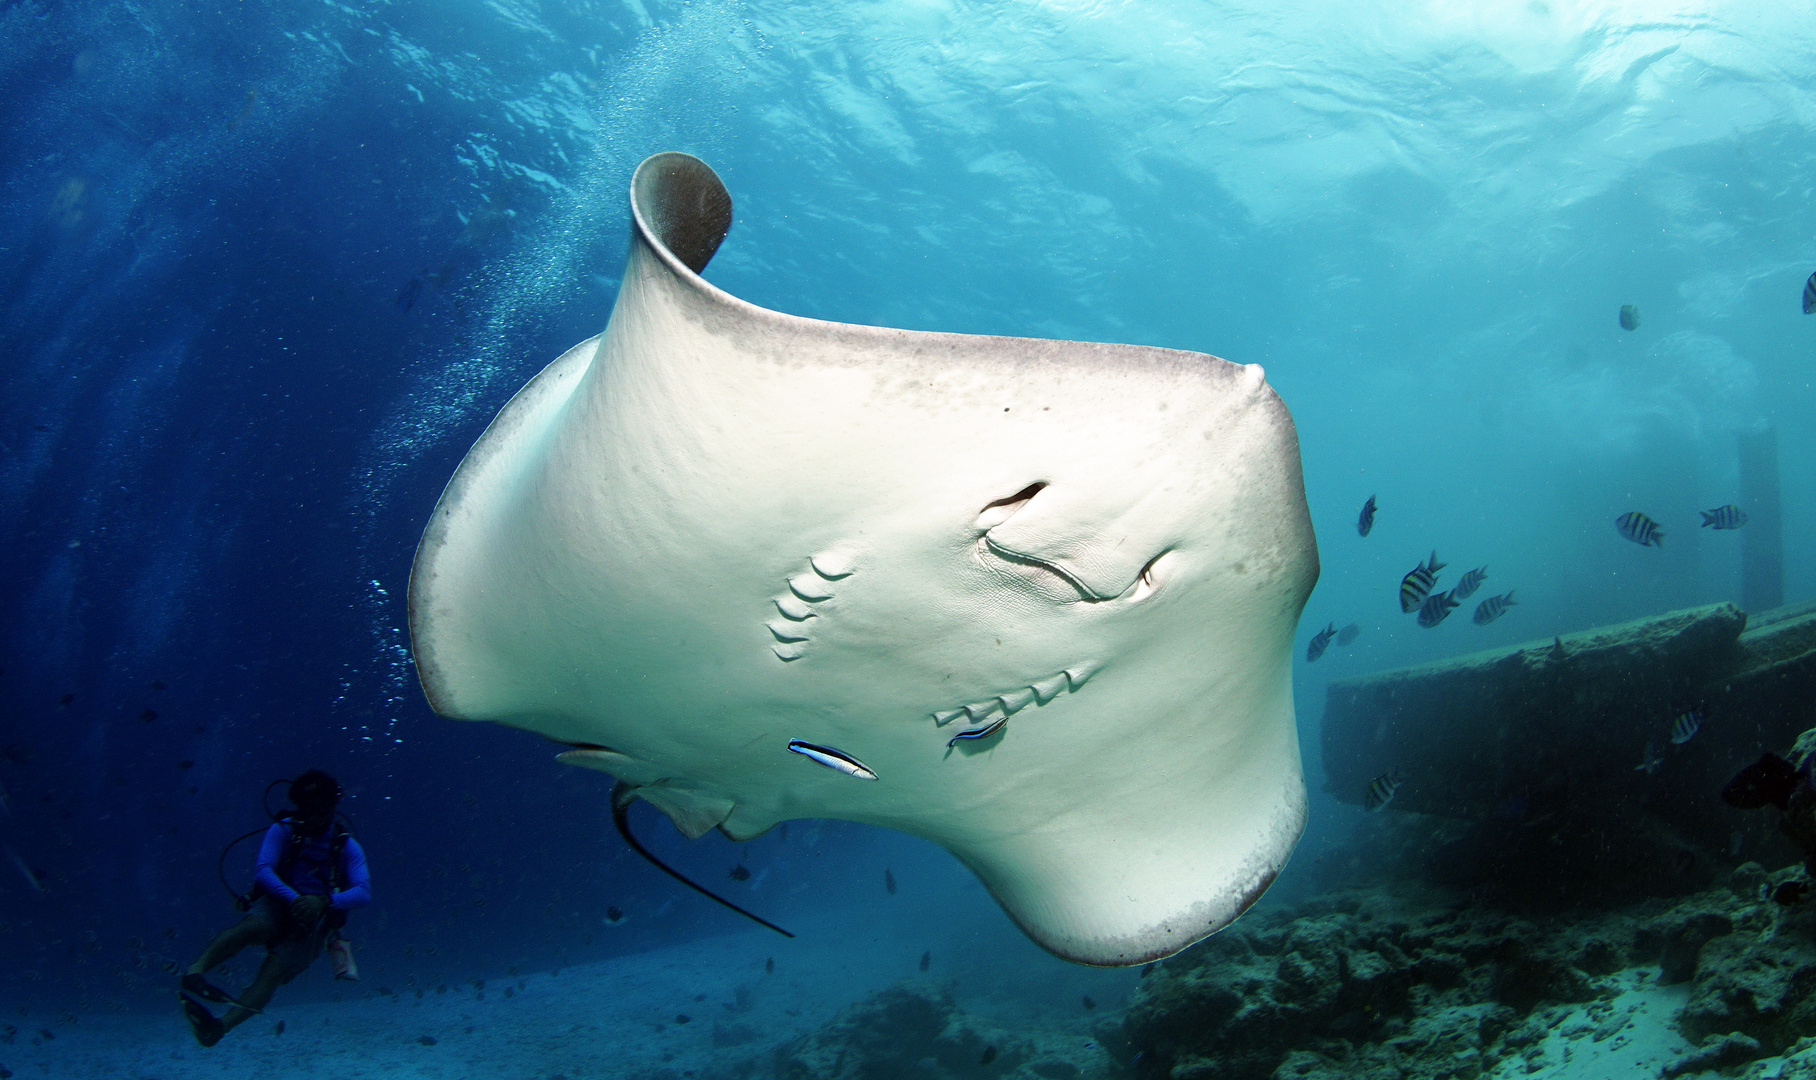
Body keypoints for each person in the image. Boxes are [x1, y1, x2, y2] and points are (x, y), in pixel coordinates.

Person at [179, 769, 372, 1047]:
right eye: (310, 808)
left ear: (332, 807)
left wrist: (324, 902)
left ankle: (217, 1028)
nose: (316, 816)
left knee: (273, 972)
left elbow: (363, 892)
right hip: (281, 904)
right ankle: (195, 972)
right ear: (300, 807)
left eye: (323, 808)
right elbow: (264, 872)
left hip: (315, 922)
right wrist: (296, 899)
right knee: (251, 928)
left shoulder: (346, 846)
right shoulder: (284, 829)